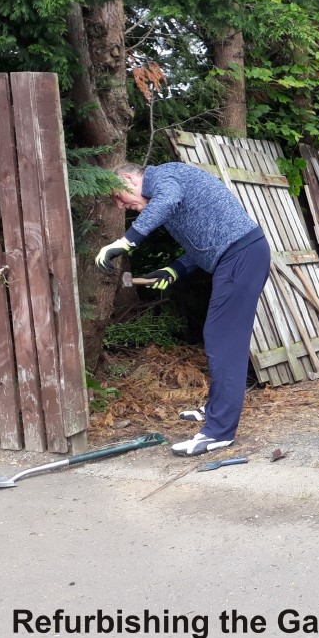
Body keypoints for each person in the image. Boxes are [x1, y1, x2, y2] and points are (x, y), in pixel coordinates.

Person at [95, 162, 270, 457]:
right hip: (238, 256)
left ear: (128, 179)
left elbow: (167, 200)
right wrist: (174, 270)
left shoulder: (165, 178)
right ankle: (216, 409)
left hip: (242, 257)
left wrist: (125, 242)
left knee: (224, 342)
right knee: (220, 338)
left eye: (120, 197)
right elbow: (203, 244)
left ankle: (218, 433)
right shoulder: (168, 189)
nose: (121, 205)